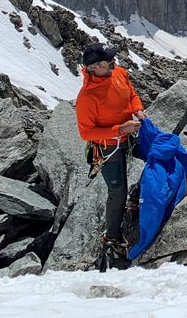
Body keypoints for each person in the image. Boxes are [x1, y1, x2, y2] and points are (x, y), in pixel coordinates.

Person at [75, 42, 146, 269]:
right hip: (108, 146)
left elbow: (131, 94)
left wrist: (138, 109)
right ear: (94, 68)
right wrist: (119, 130)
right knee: (117, 191)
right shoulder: (87, 97)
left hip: (129, 136)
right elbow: (86, 132)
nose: (112, 62)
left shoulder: (118, 73)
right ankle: (113, 237)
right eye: (107, 61)